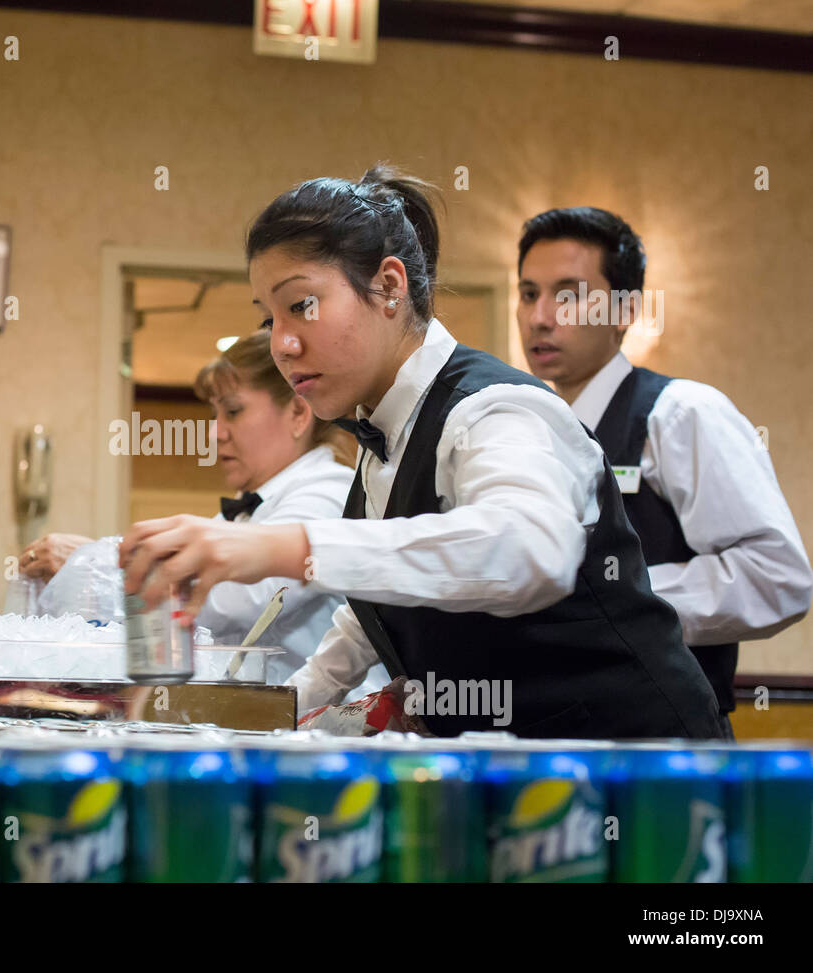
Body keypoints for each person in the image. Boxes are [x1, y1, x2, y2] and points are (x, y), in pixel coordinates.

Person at [119, 163, 727, 740]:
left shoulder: (496, 407)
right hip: (515, 775)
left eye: (301, 305)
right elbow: (371, 615)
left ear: (388, 286)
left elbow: (530, 549)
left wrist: (283, 546)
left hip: (644, 767)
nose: (281, 343)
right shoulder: (382, 427)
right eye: (268, 316)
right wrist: (281, 714)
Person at [517, 206, 812, 721]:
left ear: (627, 310)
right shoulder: (529, 433)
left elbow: (777, 577)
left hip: (668, 746)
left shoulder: (681, 414)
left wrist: (617, 600)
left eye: (569, 295)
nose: (541, 316)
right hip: (553, 740)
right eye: (528, 294)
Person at [21, 331, 387, 691]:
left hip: (323, 726)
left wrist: (88, 565)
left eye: (233, 411)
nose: (215, 434)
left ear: (297, 412)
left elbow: (229, 598)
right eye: (215, 414)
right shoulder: (245, 510)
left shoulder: (330, 492)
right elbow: (185, 567)